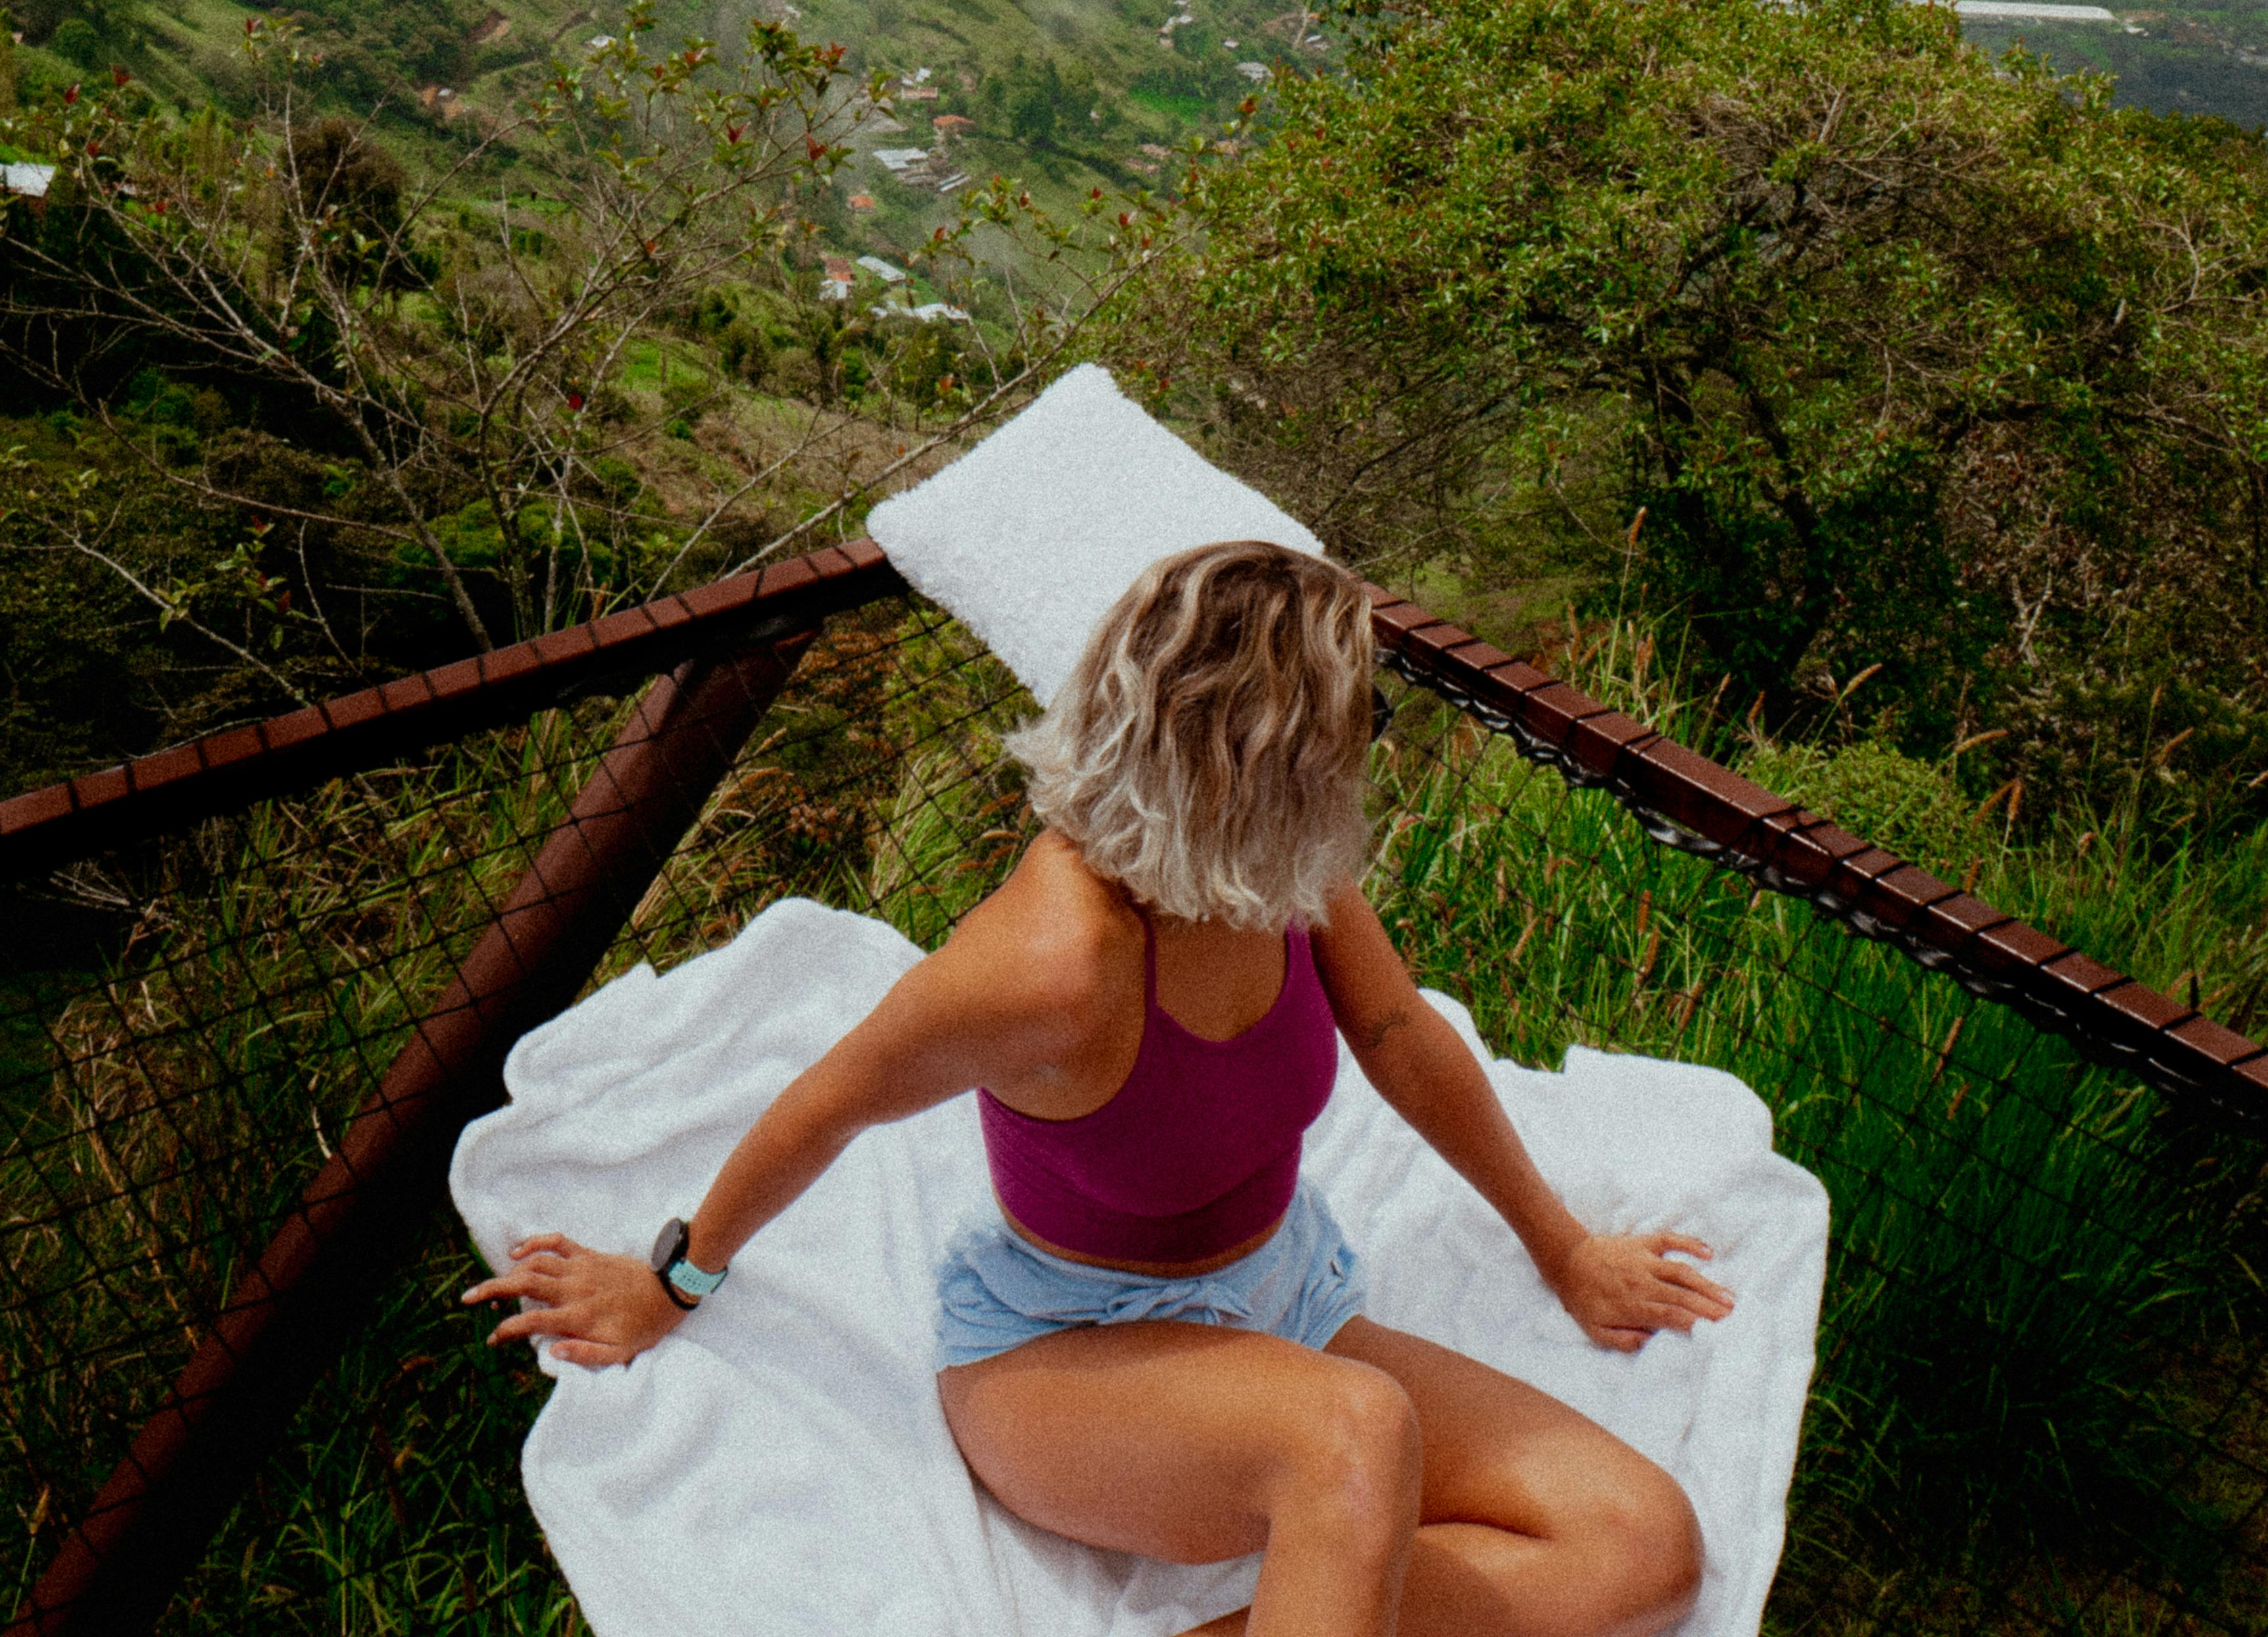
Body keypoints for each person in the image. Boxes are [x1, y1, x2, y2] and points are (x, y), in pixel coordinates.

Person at [464, 540, 1732, 1637]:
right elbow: (833, 1096)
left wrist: (1564, 1250)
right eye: (1350, 735)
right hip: (1064, 1357)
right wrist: (670, 1280)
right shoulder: (1051, 966)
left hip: (1284, 1303)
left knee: (1640, 1547)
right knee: (1355, 1431)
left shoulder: (1275, 869)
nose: (1366, 757)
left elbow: (1399, 1030)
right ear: (1260, 765)